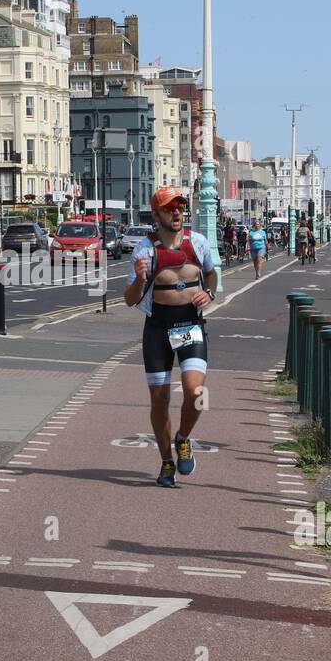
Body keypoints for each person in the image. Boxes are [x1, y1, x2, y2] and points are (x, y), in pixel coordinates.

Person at [123, 187, 217, 488]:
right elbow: (129, 299)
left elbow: (211, 274)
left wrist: (209, 293)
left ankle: (183, 437)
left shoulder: (197, 243)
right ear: (157, 214)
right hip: (158, 329)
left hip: (190, 325)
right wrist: (139, 279)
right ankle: (166, 462)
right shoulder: (144, 250)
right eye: (169, 208)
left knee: (196, 394)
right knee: (159, 400)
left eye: (180, 206)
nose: (177, 212)